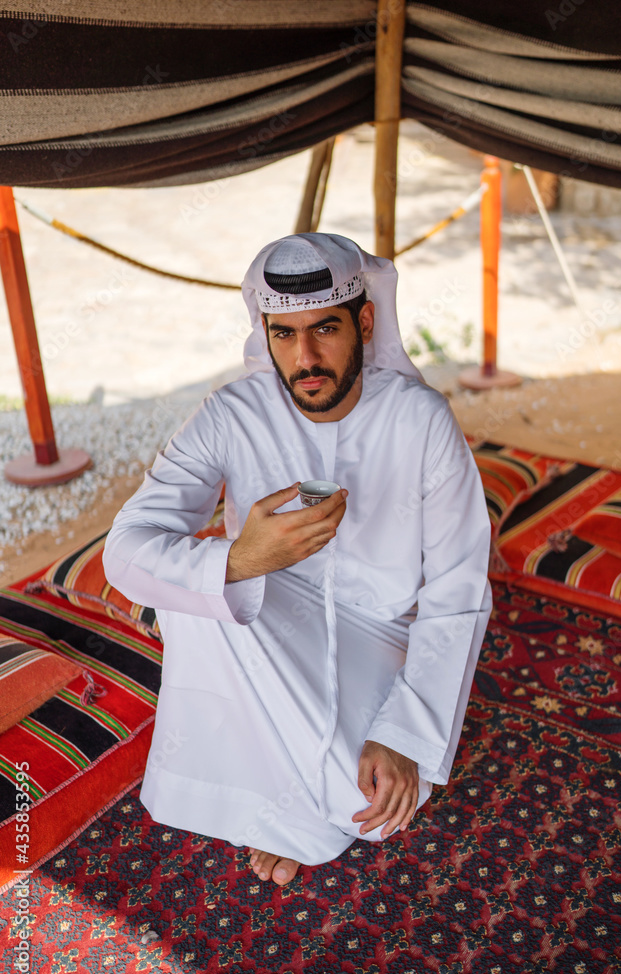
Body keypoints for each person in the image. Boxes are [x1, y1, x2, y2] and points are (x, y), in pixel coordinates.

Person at [103, 232, 493, 887]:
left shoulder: (419, 420)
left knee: (366, 801)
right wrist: (238, 559)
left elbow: (458, 587)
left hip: (379, 636)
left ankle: (284, 800)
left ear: (365, 322)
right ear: (264, 332)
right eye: (283, 334)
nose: (304, 356)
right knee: (198, 593)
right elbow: (127, 551)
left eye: (325, 329)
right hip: (265, 616)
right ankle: (289, 808)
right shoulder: (231, 415)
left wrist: (404, 733)